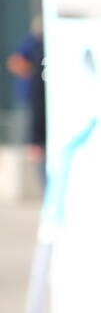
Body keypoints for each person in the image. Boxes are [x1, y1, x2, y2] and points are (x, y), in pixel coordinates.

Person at [6, 16, 46, 189]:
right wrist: (34, 73)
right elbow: (15, 62)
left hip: (39, 101)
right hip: (32, 100)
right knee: (35, 146)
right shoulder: (32, 43)